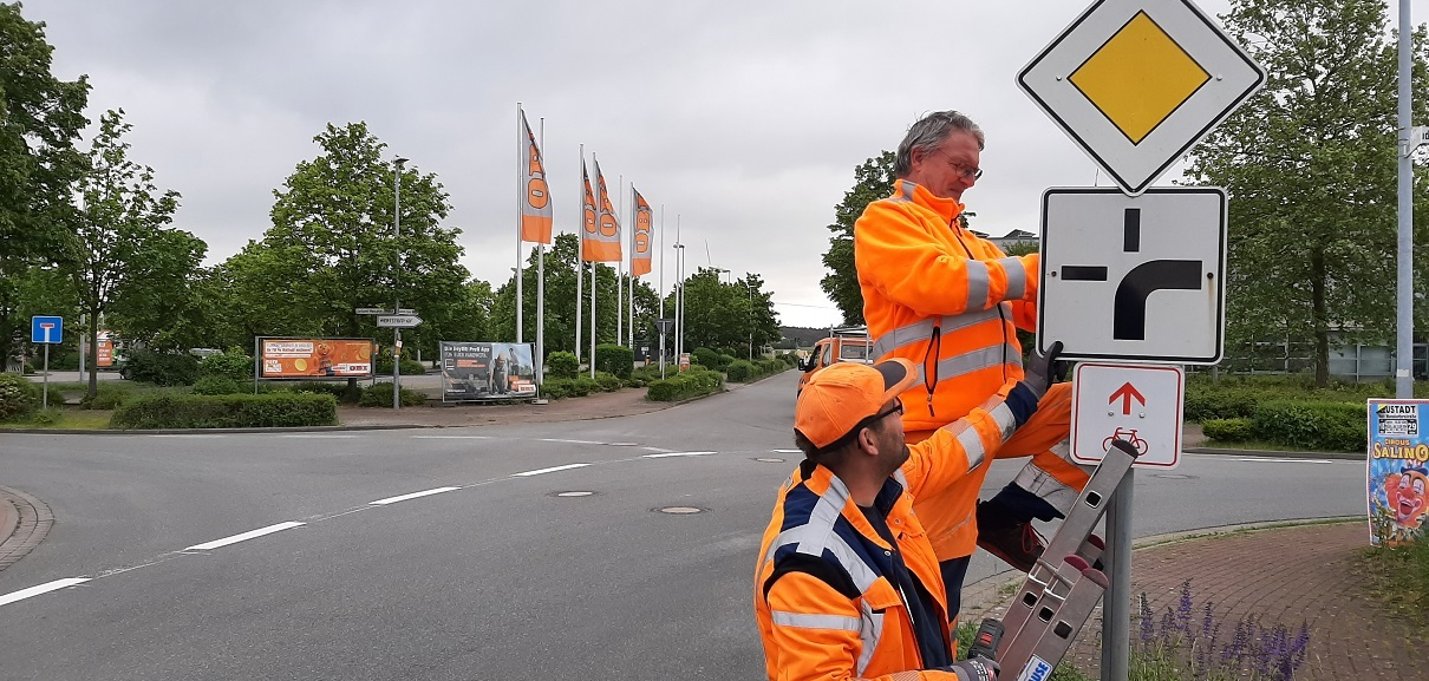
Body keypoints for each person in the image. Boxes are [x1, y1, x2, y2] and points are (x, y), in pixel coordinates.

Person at [852, 110, 1088, 623]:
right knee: (931, 596)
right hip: (933, 437)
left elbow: (1031, 307)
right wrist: (1036, 269)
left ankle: (1012, 514)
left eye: (975, 172)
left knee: (1114, 402)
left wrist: (1091, 276)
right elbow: (936, 284)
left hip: (1004, 412)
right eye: (961, 166)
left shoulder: (976, 246)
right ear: (919, 157)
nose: (968, 181)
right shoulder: (886, 220)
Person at [753, 345, 1061, 681]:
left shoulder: (879, 484)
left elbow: (955, 448)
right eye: (896, 408)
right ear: (868, 441)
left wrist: (1026, 393)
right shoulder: (810, 565)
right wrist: (958, 678)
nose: (904, 419)